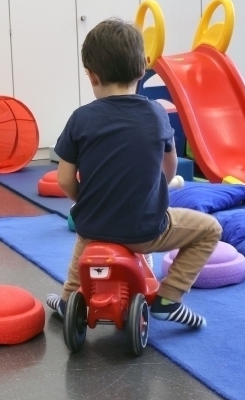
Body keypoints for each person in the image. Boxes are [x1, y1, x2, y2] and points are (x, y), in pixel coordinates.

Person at [45, 18, 221, 328]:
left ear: (92, 75)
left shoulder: (80, 119)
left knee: (86, 239)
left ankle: (71, 298)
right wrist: (160, 185)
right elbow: (169, 165)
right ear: (142, 70)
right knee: (209, 230)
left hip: (94, 225)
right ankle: (169, 297)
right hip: (146, 230)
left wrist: (84, 200)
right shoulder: (156, 113)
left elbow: (63, 179)